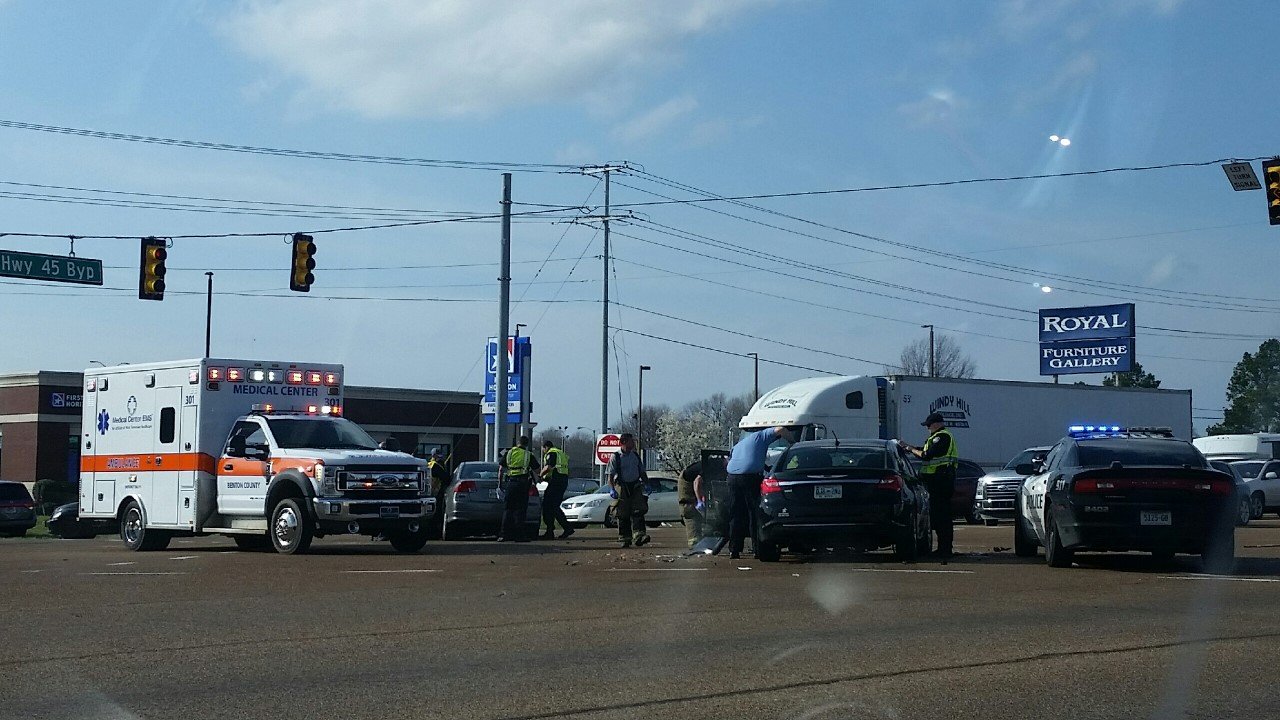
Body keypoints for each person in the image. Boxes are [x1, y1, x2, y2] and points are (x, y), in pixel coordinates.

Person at [724, 426, 793, 559]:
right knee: (754, 513)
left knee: (736, 513)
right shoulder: (762, 436)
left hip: (732, 476)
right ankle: (758, 548)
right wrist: (792, 442)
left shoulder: (740, 444)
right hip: (749, 477)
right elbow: (781, 429)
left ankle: (734, 549)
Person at [900, 412, 959, 561]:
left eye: (929, 425)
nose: (927, 428)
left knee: (943, 518)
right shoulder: (936, 437)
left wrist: (910, 449)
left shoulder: (943, 436)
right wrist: (911, 447)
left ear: (937, 424)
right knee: (939, 517)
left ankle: (945, 550)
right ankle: (942, 549)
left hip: (941, 483)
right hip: (937, 482)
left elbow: (927, 455)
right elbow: (925, 451)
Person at [607, 433, 650, 548]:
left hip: (635, 486)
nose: (633, 443)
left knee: (638, 511)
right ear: (624, 442)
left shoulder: (635, 456)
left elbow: (642, 472)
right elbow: (610, 476)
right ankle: (625, 538)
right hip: (622, 486)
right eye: (631, 441)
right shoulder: (615, 457)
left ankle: (639, 535)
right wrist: (612, 489)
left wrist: (647, 484)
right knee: (622, 513)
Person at [498, 436, 535, 542]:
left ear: (518, 443)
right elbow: (536, 471)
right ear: (526, 444)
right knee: (520, 510)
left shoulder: (509, 453)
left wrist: (500, 484)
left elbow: (500, 470)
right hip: (523, 484)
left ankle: (503, 535)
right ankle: (519, 536)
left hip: (511, 483)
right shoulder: (528, 455)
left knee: (508, 509)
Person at [539, 439, 574, 540]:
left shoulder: (552, 453)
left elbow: (549, 467)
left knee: (547, 505)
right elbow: (557, 470)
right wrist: (546, 478)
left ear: (545, 447)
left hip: (556, 482)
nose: (542, 451)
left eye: (542, 448)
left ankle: (555, 530)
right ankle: (560, 529)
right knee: (554, 507)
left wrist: (540, 476)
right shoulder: (560, 453)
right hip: (562, 481)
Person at [677, 458, 705, 549]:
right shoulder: (713, 465)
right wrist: (699, 501)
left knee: (697, 514)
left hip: (692, 480)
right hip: (686, 482)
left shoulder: (717, 464)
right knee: (688, 509)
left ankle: (700, 540)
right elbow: (697, 483)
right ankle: (694, 543)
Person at [427, 448, 450, 538]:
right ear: (434, 456)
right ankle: (434, 534)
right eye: (438, 456)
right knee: (436, 515)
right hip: (436, 493)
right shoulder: (436, 466)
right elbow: (446, 478)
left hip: (429, 493)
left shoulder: (429, 464)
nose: (440, 458)